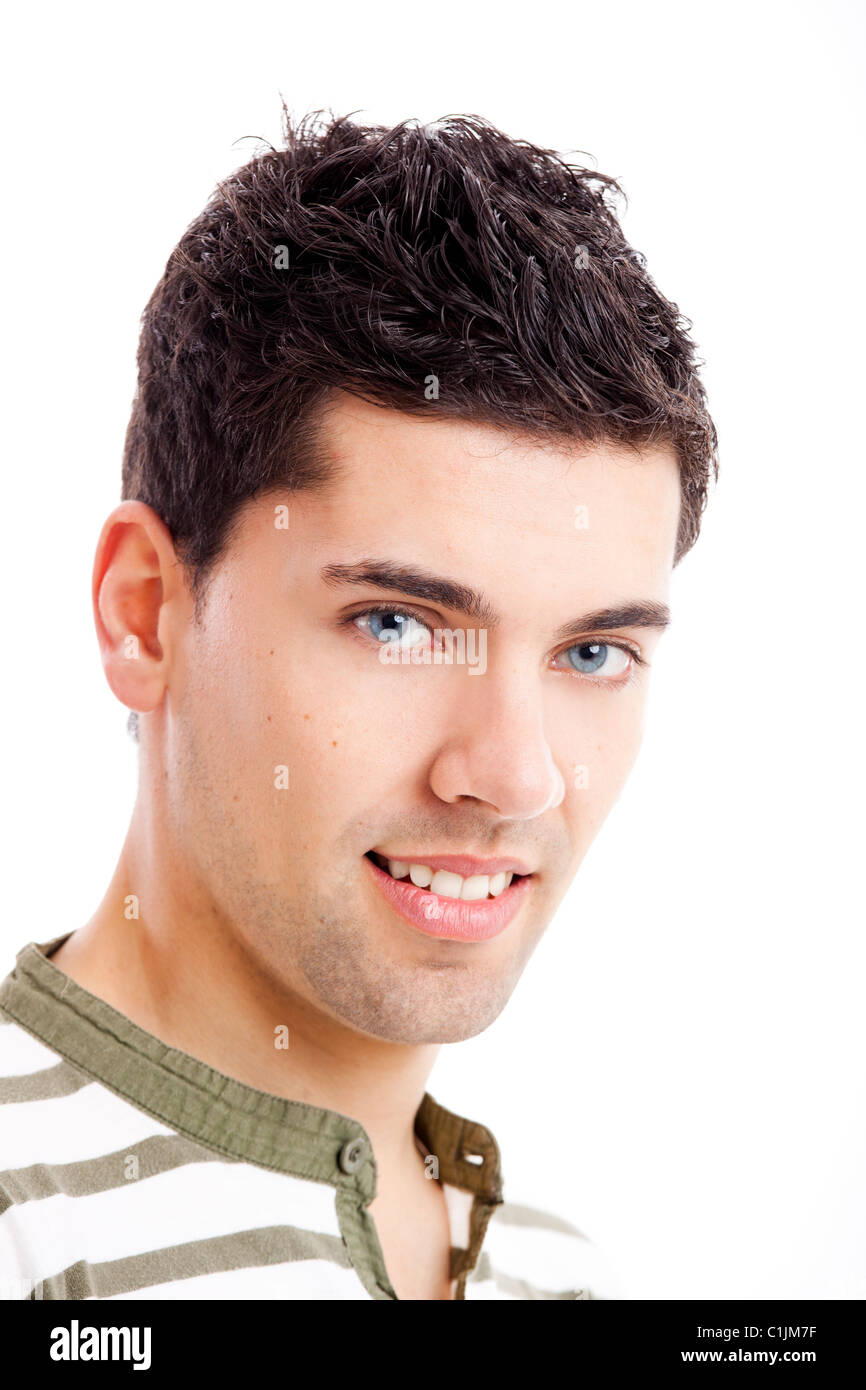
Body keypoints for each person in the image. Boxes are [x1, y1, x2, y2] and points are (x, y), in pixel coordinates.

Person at [0, 107, 717, 1300]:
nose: (512, 773)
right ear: (144, 614)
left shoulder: (563, 1276)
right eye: (397, 624)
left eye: (591, 652)